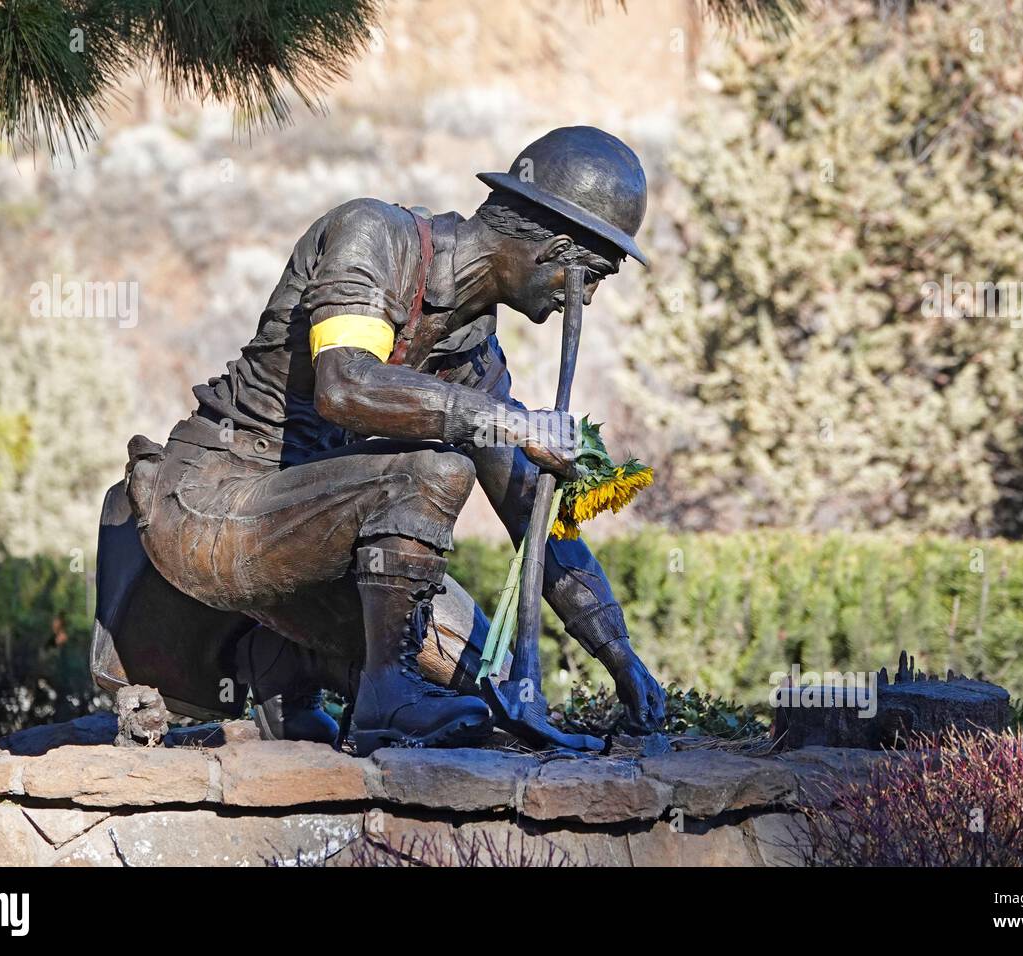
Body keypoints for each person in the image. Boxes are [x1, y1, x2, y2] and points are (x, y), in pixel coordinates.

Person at [92, 126, 666, 755]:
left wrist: (621, 657)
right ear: (554, 250)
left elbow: (537, 517)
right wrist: (512, 423)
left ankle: (284, 666)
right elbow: (345, 384)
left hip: (310, 542)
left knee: (484, 675)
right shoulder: (375, 236)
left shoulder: (476, 360)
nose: (581, 301)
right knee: (431, 470)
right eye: (591, 280)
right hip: (217, 503)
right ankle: (382, 697)